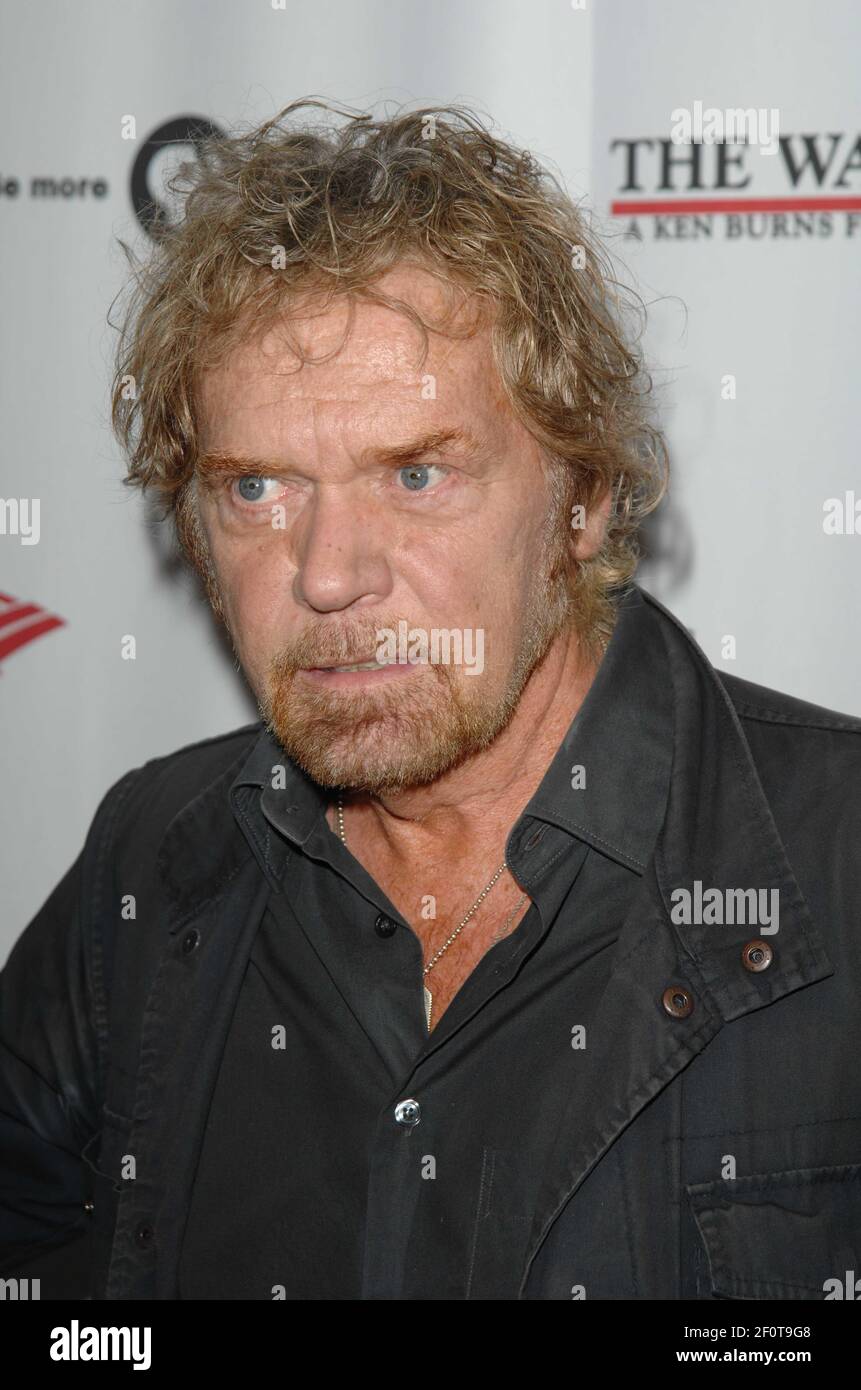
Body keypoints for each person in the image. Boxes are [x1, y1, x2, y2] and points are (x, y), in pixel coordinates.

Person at [2, 100, 860, 1301]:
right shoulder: (155, 855)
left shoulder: (837, 858)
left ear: (585, 497)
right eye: (257, 487)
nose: (328, 571)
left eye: (416, 472)